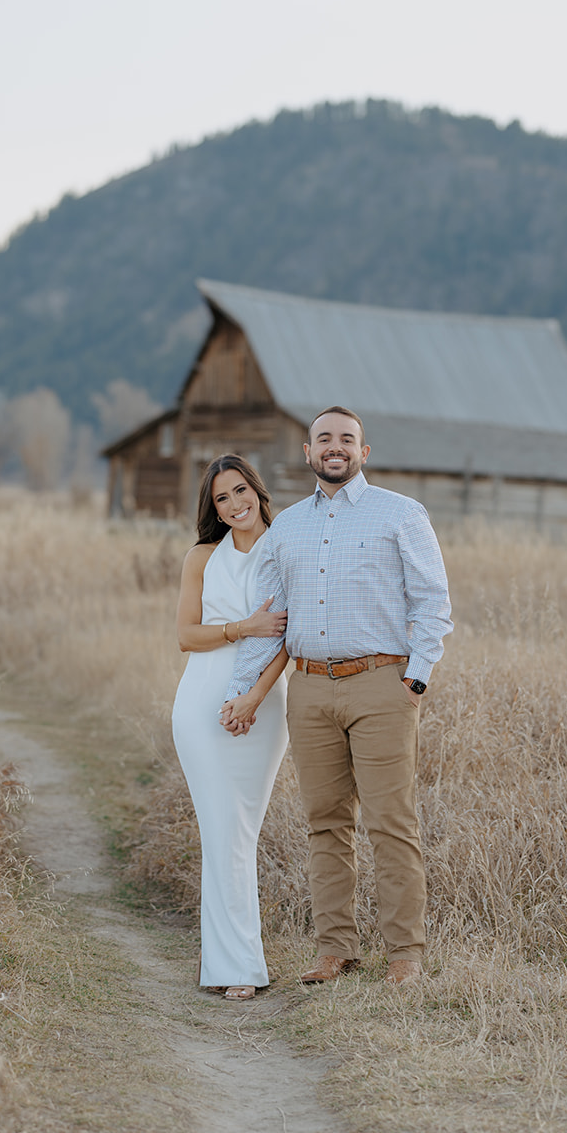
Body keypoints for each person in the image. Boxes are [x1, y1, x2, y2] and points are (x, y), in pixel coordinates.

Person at [221, 407, 452, 987]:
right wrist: (244, 693)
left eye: (347, 439)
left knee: (391, 821)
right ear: (307, 452)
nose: (335, 448)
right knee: (324, 823)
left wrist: (415, 679)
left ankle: (405, 956)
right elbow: (272, 618)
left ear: (363, 453)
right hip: (310, 689)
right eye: (324, 438)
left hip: (382, 684)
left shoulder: (400, 514)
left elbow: (432, 601)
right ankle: (335, 950)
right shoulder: (288, 528)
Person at [172, 455, 289, 1001]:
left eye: (241, 490)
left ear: (257, 491)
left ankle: (233, 961)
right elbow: (187, 637)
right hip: (200, 701)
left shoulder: (287, 544)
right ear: (213, 508)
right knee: (221, 829)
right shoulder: (202, 556)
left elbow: (291, 635)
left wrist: (254, 698)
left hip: (264, 702)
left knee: (240, 829)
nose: (235, 504)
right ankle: (236, 965)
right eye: (222, 498)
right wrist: (243, 627)